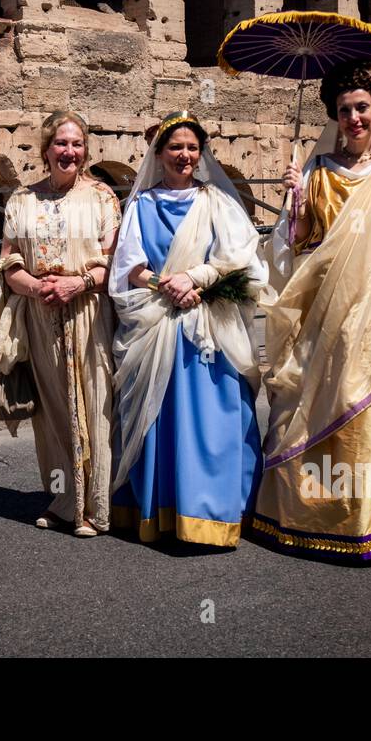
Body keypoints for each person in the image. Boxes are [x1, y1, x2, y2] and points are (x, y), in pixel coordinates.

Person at [249, 60, 371, 562]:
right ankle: (311, 516)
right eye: (344, 110)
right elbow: (295, 252)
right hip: (325, 318)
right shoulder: (317, 172)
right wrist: (294, 205)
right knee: (314, 408)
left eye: (362, 108)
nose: (354, 118)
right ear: (333, 117)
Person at [108, 112, 267, 548]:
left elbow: (242, 260)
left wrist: (197, 278)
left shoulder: (217, 202)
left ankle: (216, 510)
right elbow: (129, 269)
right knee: (158, 414)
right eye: (175, 147)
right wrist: (169, 284)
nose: (185, 155)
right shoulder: (140, 205)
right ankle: (161, 509)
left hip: (208, 325)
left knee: (215, 417)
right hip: (156, 322)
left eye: (192, 148)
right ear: (158, 154)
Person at [0, 112, 119, 537]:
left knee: (94, 404)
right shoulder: (22, 200)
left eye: (77, 143)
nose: (70, 151)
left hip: (87, 313)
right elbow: (8, 263)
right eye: (61, 144)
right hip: (41, 317)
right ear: (45, 149)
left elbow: (114, 264)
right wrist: (33, 286)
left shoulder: (102, 197)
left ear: (86, 150)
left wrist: (75, 283)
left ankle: (96, 508)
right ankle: (64, 500)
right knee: (54, 414)